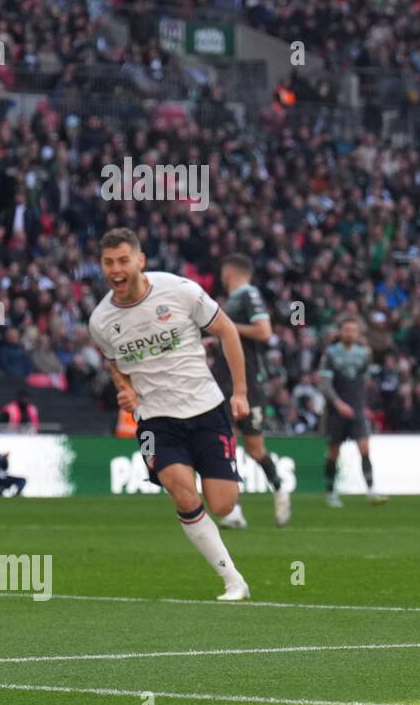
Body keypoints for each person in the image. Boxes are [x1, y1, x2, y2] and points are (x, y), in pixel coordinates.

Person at [88, 228, 251, 601]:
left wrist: (240, 392)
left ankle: (227, 507)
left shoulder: (179, 290)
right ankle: (233, 580)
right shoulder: (100, 322)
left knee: (223, 503)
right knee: (182, 494)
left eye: (123, 260)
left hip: (207, 408)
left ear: (140, 261)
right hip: (156, 419)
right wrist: (125, 389)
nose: (116, 268)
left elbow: (227, 331)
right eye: (109, 262)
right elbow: (117, 366)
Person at [212, 254, 291, 529]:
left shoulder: (248, 295)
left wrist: (227, 328)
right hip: (222, 383)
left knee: (256, 449)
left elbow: (264, 331)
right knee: (226, 445)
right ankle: (234, 509)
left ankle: (280, 489)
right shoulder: (231, 302)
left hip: (247, 384)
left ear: (229, 273)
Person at [319, 316, 386, 507]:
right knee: (333, 452)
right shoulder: (331, 354)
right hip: (336, 411)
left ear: (357, 333)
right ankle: (331, 493)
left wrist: (361, 404)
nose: (350, 333)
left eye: (353, 330)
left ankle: (372, 490)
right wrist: (338, 404)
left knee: (365, 449)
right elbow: (325, 384)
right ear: (340, 332)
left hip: (356, 409)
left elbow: (363, 382)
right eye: (346, 329)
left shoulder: (363, 354)